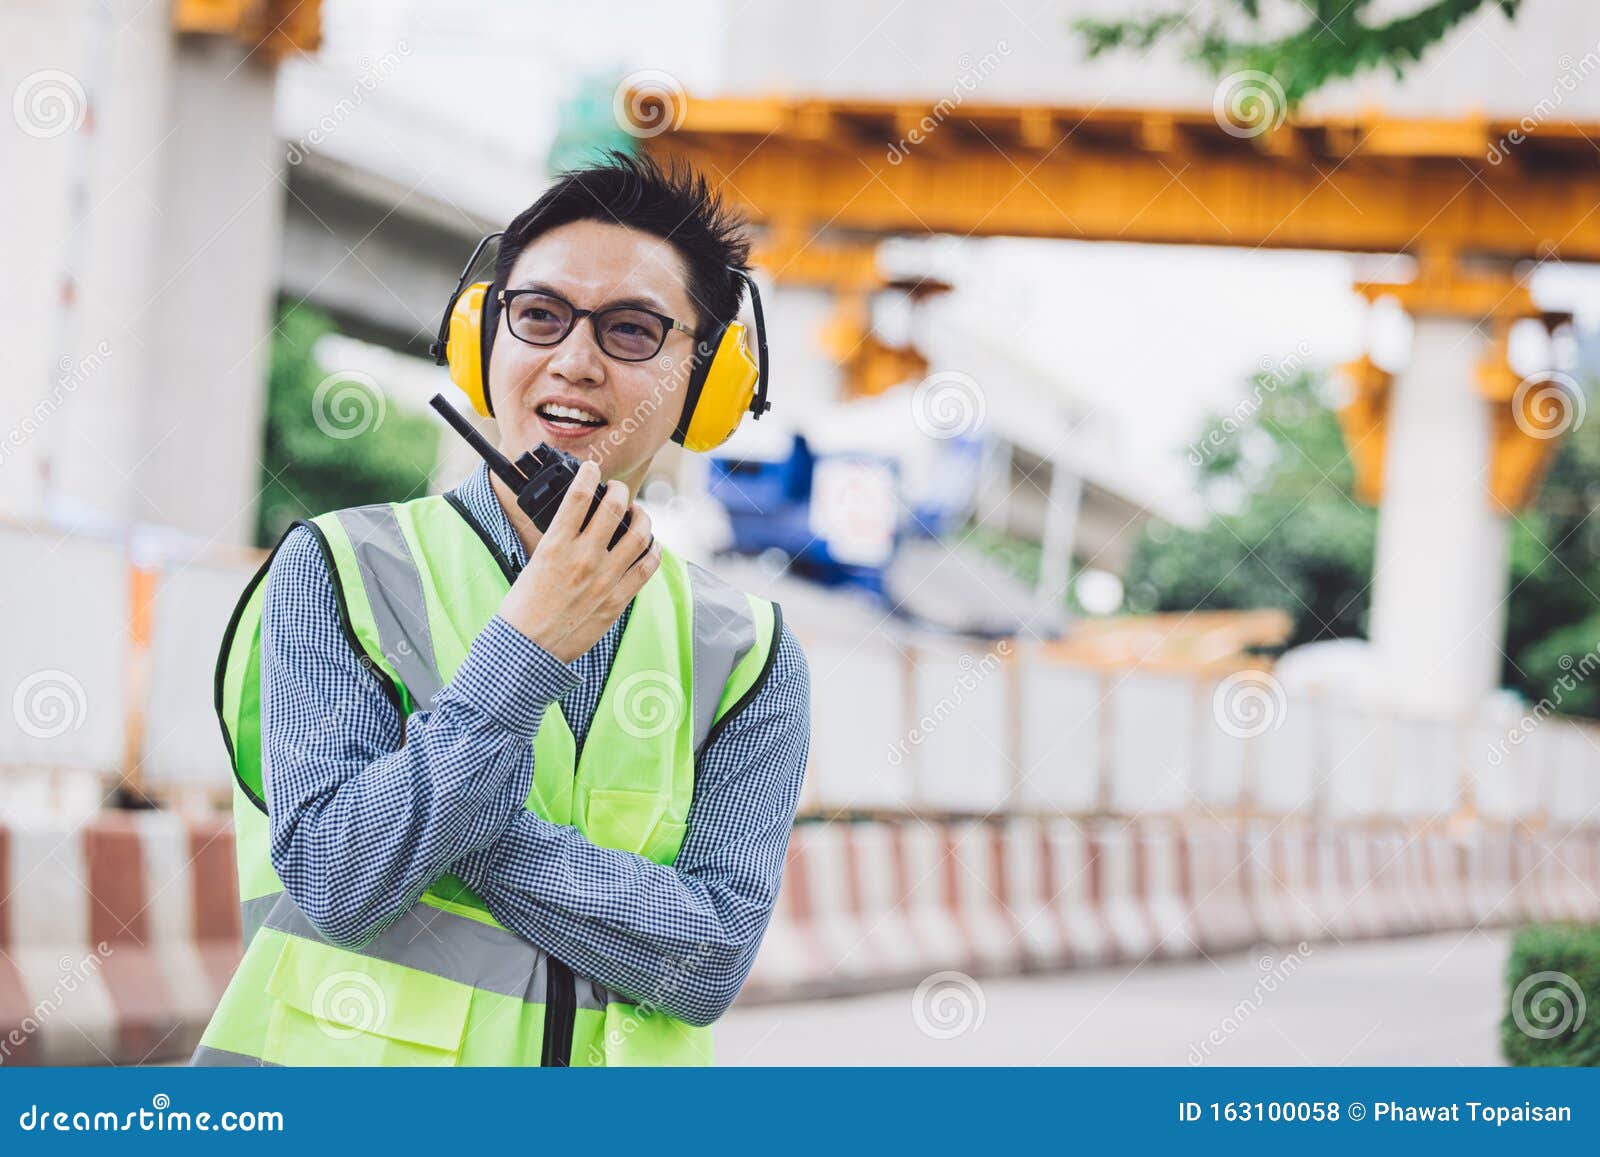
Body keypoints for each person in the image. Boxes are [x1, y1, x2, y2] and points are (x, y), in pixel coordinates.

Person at [193, 151, 811, 1066]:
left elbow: (707, 958)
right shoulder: (340, 569)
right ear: (483, 340)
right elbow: (341, 876)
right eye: (540, 315)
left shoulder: (749, 653)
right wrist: (526, 649)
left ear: (708, 379)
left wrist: (449, 824)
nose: (574, 361)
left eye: (631, 330)